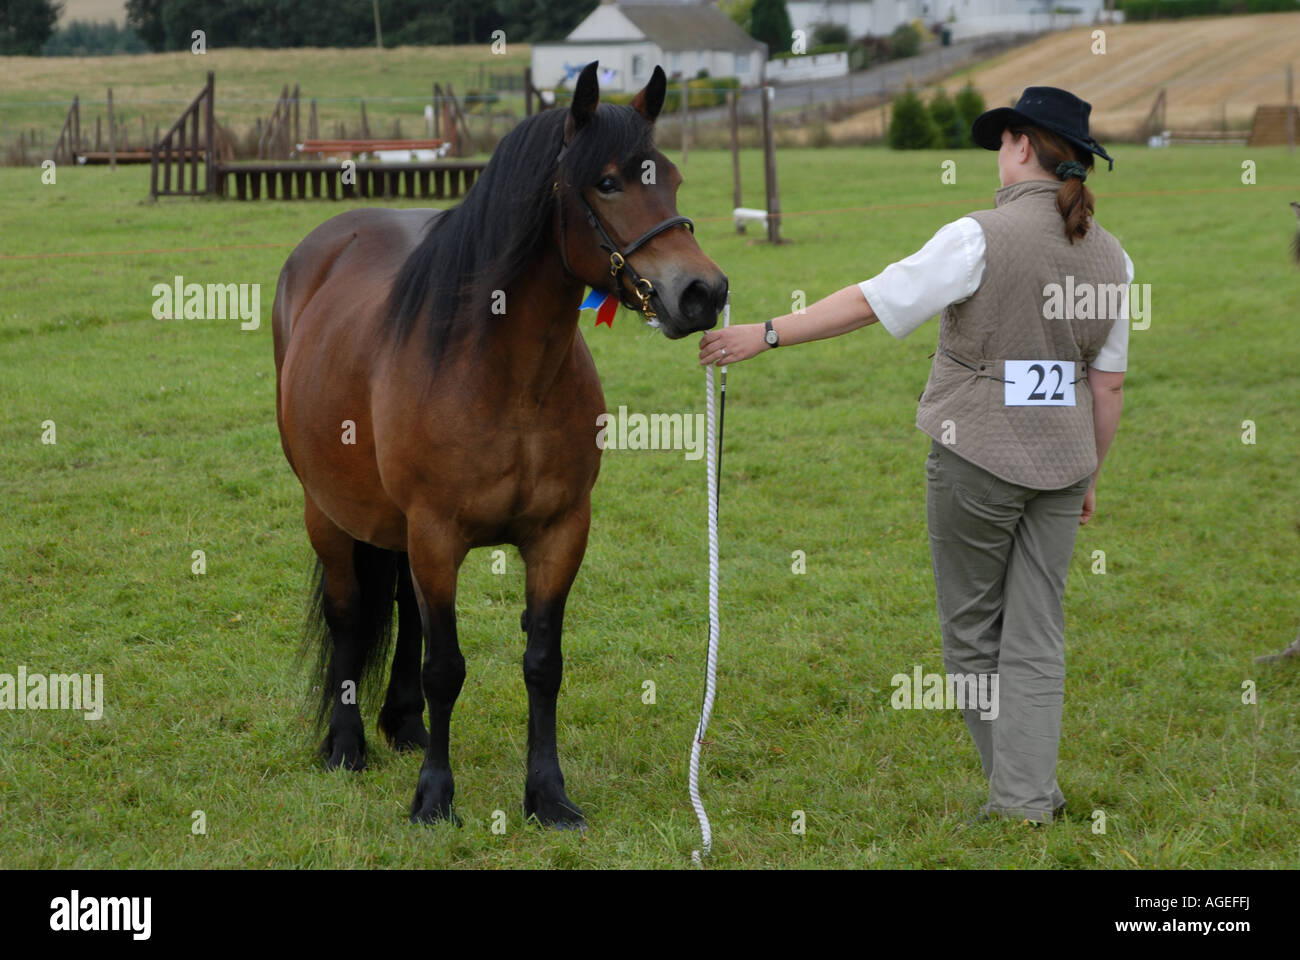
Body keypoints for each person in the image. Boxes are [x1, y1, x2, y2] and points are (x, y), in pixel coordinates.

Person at [699, 87, 1133, 825]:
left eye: (1002, 143)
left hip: (978, 458)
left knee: (972, 640)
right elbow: (1110, 382)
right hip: (1063, 462)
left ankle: (1022, 798)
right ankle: (1028, 794)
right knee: (1037, 633)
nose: (998, 157)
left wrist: (765, 333)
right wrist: (1090, 469)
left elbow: (873, 301)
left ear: (1023, 146)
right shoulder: (1115, 258)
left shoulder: (976, 236)